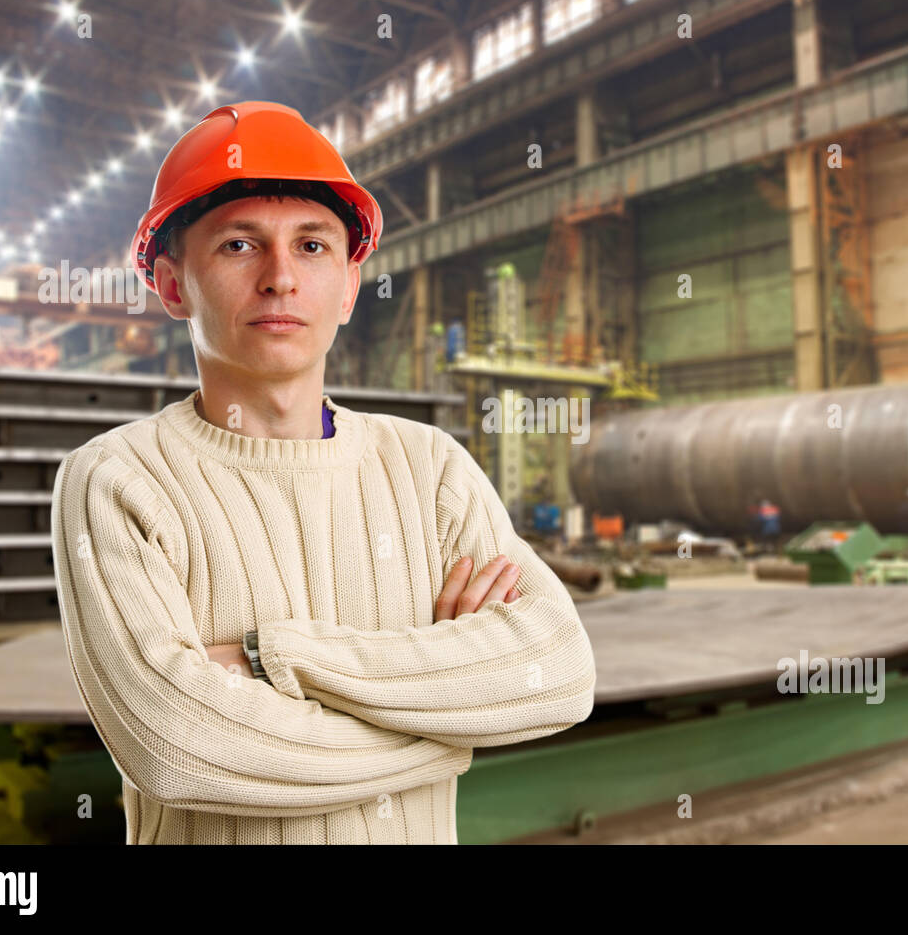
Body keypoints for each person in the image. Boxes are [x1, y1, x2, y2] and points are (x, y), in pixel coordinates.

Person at [50, 101, 596, 845]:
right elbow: (175, 746)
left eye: (312, 245)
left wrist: (268, 656)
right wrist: (448, 725)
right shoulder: (116, 481)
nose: (281, 277)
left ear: (347, 285)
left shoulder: (429, 469)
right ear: (173, 285)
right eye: (240, 245)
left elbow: (556, 670)